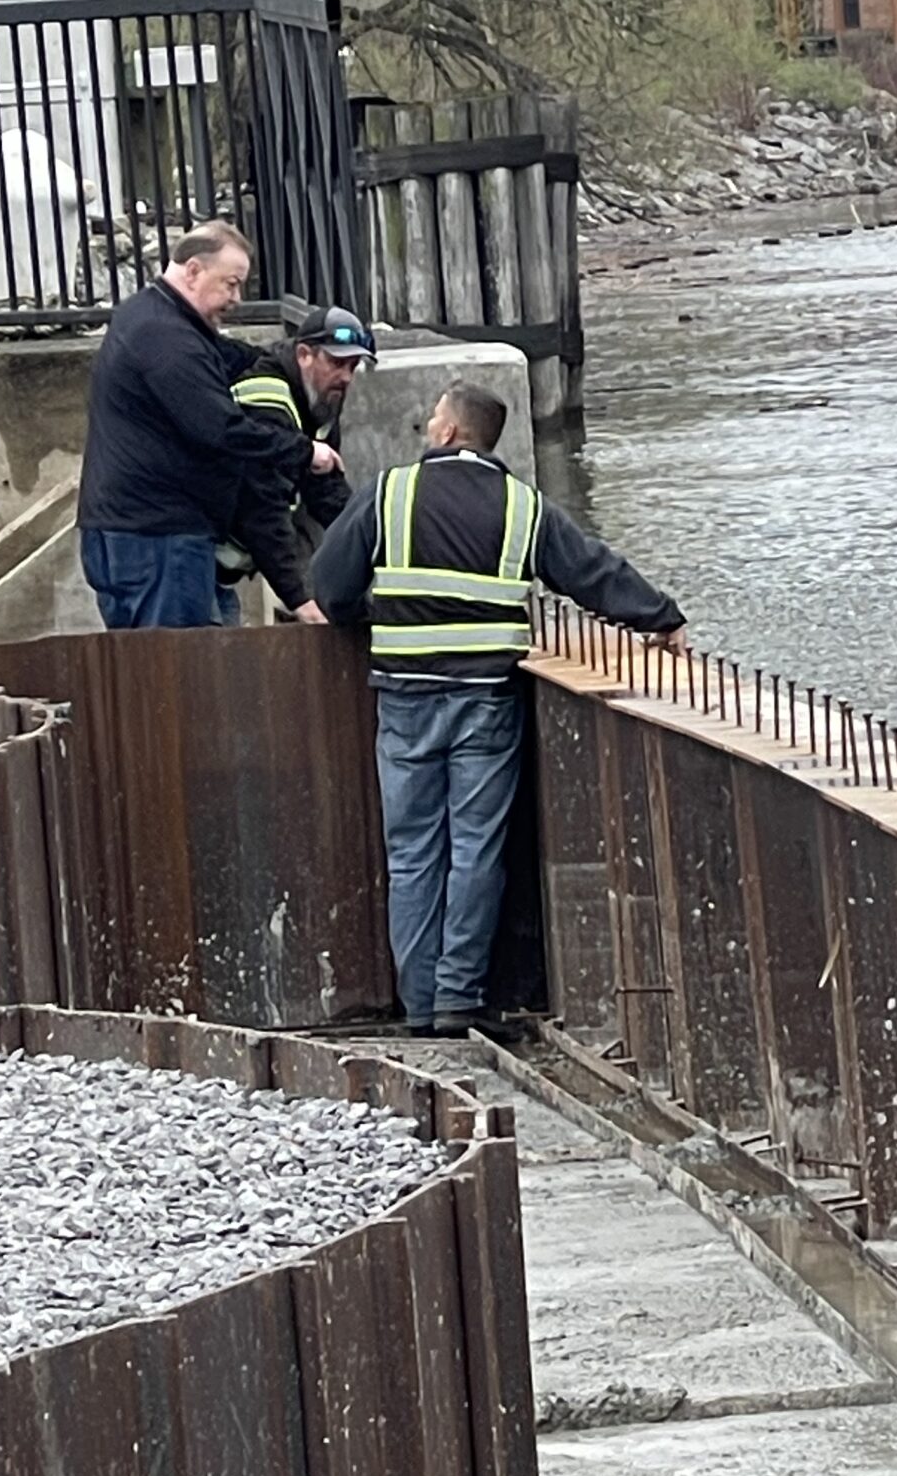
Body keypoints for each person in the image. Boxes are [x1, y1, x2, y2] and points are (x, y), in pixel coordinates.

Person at [313, 379, 687, 1038]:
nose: (429, 427)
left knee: (412, 852)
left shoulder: (389, 495)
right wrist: (659, 615)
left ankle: (420, 1002)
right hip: (486, 699)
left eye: (434, 419)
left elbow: (331, 586)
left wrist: (365, 614)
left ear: (452, 431)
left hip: (404, 696)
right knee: (476, 849)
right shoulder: (523, 507)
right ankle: (459, 998)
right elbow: (589, 570)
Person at [77, 220, 304, 630]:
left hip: (124, 528)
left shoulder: (149, 315)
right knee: (176, 673)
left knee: (146, 670)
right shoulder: (168, 338)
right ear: (195, 270)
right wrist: (305, 452)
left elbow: (222, 355)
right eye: (231, 284)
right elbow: (221, 429)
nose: (236, 298)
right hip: (159, 535)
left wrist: (281, 361)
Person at [216, 308, 375, 625]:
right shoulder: (266, 395)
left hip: (219, 567)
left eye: (353, 366)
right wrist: (298, 598)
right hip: (192, 556)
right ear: (304, 355)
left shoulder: (320, 399)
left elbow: (327, 489)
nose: (346, 376)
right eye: (336, 362)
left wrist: (373, 540)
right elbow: (261, 504)